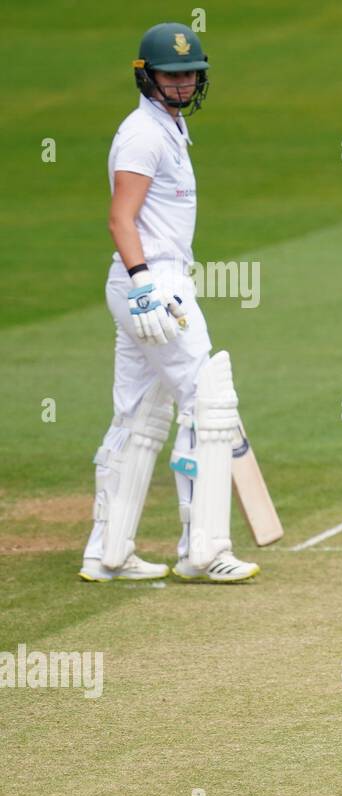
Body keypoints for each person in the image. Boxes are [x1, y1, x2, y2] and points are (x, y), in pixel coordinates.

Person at [79, 22, 259, 583]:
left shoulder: (170, 128)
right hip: (153, 284)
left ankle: (107, 554)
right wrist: (143, 286)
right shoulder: (142, 133)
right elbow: (119, 217)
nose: (182, 84)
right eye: (172, 75)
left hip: (153, 282)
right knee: (207, 401)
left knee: (139, 412)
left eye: (191, 75)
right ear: (146, 76)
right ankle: (203, 550)